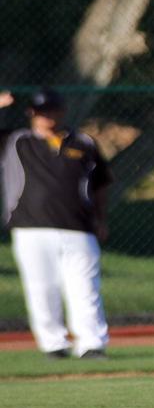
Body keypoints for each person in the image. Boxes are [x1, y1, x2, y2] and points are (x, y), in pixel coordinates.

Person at [1, 88, 113, 360]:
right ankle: (53, 344)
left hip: (78, 226)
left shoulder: (83, 143)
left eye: (51, 110)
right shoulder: (15, 140)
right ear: (31, 113)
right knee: (41, 287)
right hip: (31, 227)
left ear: (62, 111)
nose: (47, 117)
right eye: (41, 111)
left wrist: (100, 219)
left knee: (85, 286)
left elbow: (100, 185)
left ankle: (91, 344)